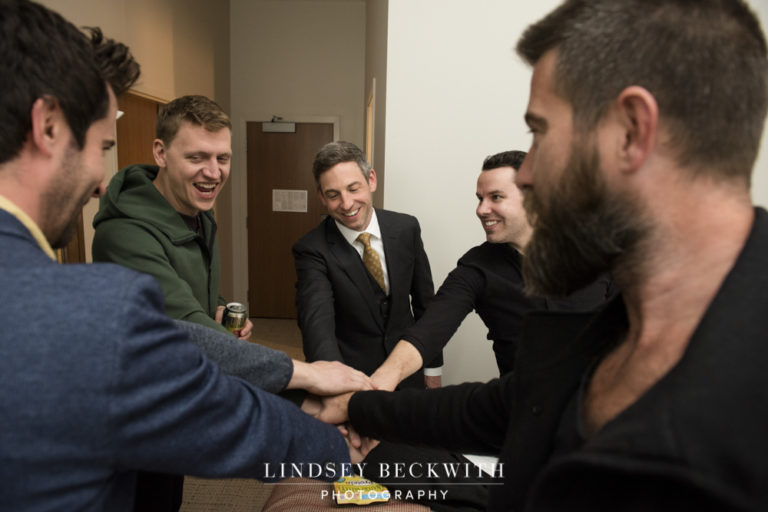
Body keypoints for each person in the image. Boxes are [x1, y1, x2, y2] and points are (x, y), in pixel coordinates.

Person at [319, 1, 768, 510]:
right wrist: (359, 405)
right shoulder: (606, 329)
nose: (528, 175)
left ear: (632, 132)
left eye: (540, 133)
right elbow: (499, 407)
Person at [0, 1, 357, 510]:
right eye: (101, 147)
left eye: (222, 158)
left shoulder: (200, 216)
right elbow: (183, 365)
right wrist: (314, 410)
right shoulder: (94, 303)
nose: (102, 181)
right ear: (49, 126)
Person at [372, 150, 614, 391]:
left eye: (496, 197)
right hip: (524, 415)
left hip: (607, 412)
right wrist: (380, 382)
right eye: (480, 198)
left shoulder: (598, 250)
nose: (481, 209)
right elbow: (427, 333)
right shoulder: (477, 268)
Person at [92, 94, 253, 339]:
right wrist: (298, 372)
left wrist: (218, 308)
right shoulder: (123, 234)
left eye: (222, 158)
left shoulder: (200, 212)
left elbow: (193, 290)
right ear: (161, 153)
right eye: (196, 157)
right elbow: (188, 325)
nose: (213, 173)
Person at [293, 140, 443, 389]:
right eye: (333, 195)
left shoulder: (406, 228)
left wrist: (432, 367)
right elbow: (317, 325)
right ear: (321, 196)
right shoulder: (311, 250)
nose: (347, 203)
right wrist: (333, 385)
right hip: (352, 378)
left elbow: (425, 304)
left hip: (409, 371)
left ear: (371, 179)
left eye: (353, 189)